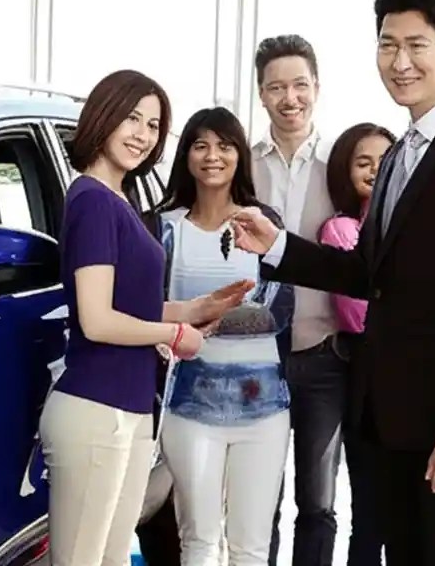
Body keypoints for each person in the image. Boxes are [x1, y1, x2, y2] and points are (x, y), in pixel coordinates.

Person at [227, 0, 435, 566]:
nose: (399, 62)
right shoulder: (400, 151)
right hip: (392, 419)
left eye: (417, 46)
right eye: (387, 44)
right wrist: (280, 246)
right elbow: (369, 270)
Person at [39, 69, 252, 566]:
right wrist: (175, 334)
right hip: (96, 408)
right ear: (104, 116)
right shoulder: (92, 200)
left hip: (129, 410)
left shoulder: (121, 201)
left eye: (154, 126)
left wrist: (198, 310)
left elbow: (128, 309)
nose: (142, 134)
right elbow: (96, 320)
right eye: (132, 118)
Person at [152, 107, 295, 565]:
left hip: (263, 408)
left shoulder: (262, 222)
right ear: (186, 155)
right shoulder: (163, 227)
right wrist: (196, 317)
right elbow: (143, 310)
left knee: (251, 546)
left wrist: (198, 317)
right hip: (190, 407)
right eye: (200, 145)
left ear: (239, 156)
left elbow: (281, 311)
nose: (213, 156)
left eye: (225, 146)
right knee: (196, 540)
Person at [248, 34, 343, 566]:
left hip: (323, 353)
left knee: (318, 500)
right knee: (259, 498)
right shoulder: (239, 164)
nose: (290, 98)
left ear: (317, 89)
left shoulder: (342, 162)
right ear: (261, 94)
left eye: (299, 85)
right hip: (254, 355)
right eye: (277, 87)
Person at [316, 123, 395, 566]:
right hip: (367, 375)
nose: (375, 170)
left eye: (385, 160)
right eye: (363, 162)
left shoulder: (417, 227)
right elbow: (358, 311)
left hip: (414, 380)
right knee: (368, 508)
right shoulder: (340, 230)